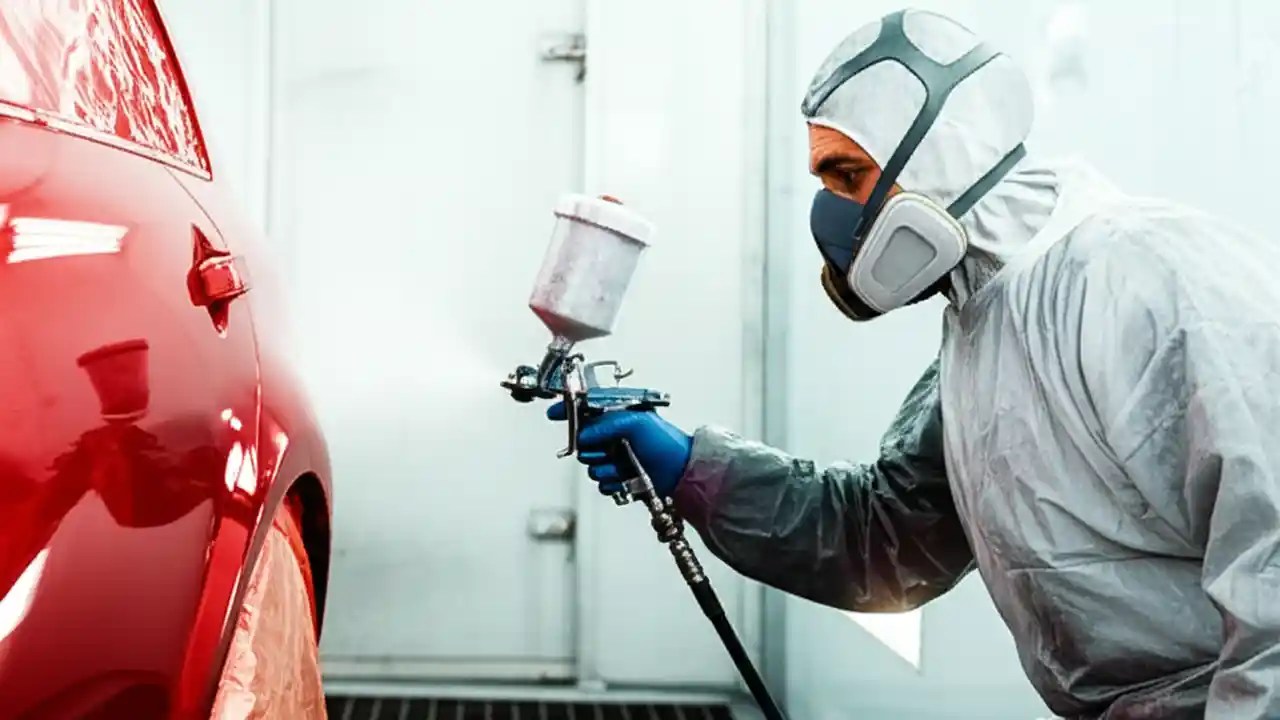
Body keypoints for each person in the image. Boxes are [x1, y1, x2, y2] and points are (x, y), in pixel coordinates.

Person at [547, 9, 1280, 720]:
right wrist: (689, 468)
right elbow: (886, 545)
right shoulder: (984, 322)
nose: (830, 216)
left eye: (844, 176)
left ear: (934, 157)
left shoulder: (1140, 276)